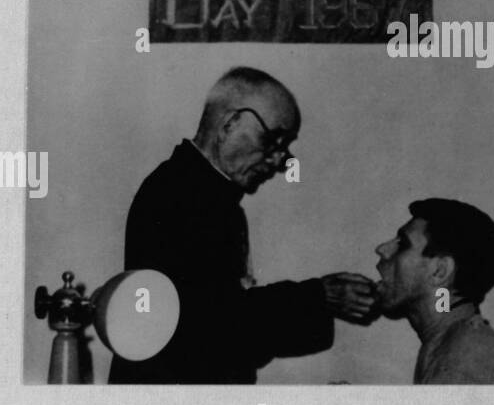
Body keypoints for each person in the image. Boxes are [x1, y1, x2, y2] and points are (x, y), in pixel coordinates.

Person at [108, 66, 377, 384]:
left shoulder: (201, 194)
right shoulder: (179, 195)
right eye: (272, 139)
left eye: (283, 146)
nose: (278, 160)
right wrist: (318, 296)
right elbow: (207, 325)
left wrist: (316, 298)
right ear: (229, 124)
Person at [374, 198, 494, 384]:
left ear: (440, 271)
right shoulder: (453, 343)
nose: (382, 249)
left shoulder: (464, 360)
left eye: (402, 244)